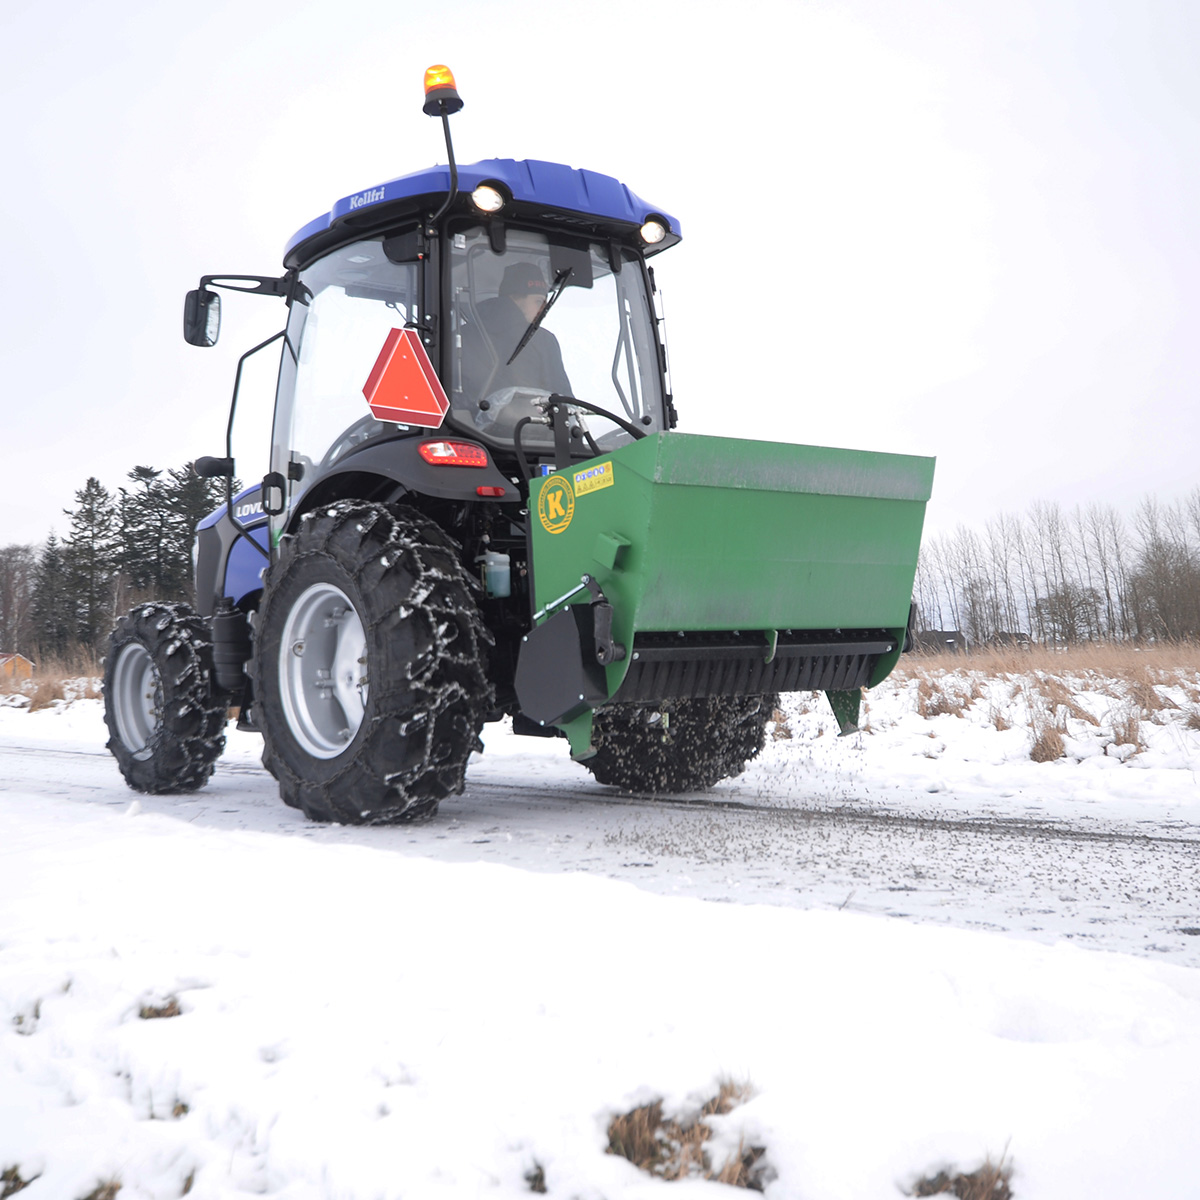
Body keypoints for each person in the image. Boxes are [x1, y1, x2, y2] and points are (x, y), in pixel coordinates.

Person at [461, 262, 573, 401]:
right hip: (530, 415)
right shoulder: (542, 339)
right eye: (538, 302)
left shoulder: (461, 336)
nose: (543, 311)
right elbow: (564, 400)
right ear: (515, 297)